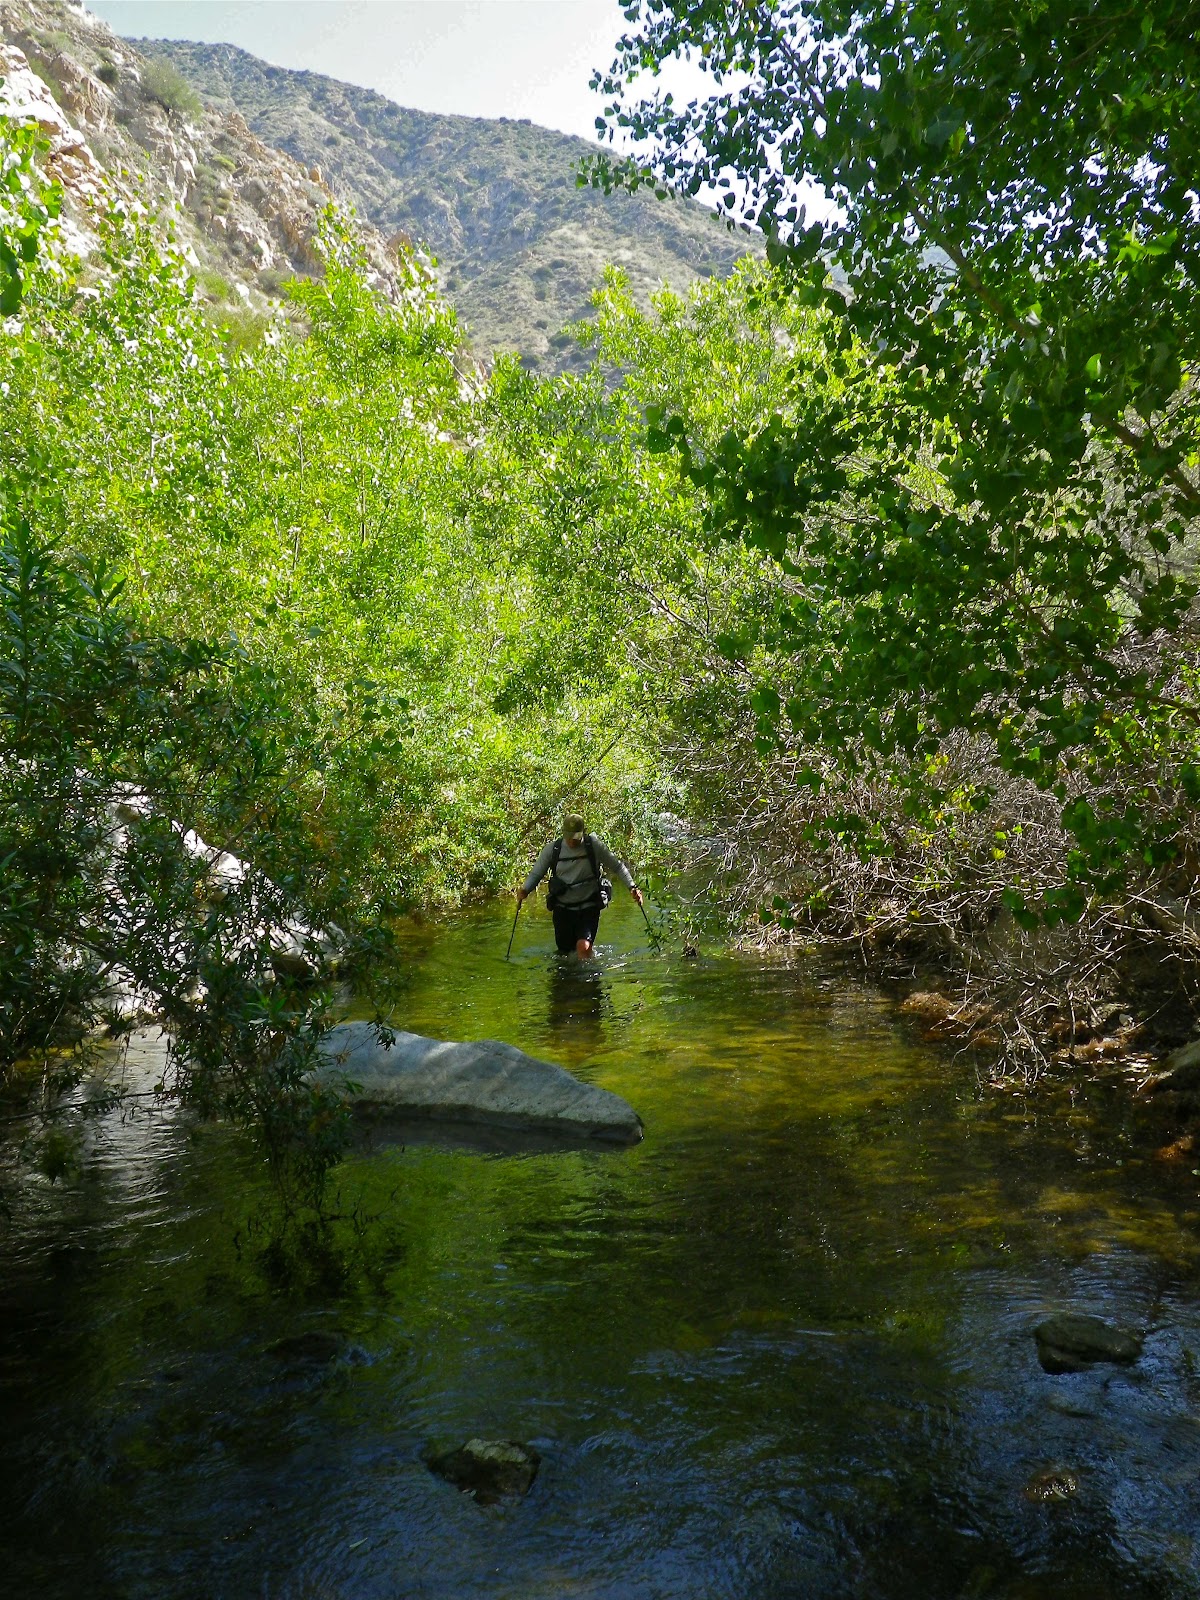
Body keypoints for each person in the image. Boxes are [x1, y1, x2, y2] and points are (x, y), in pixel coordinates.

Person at [517, 813, 644, 959]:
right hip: (562, 909)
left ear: (583, 832)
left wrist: (632, 887)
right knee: (565, 954)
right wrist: (525, 890)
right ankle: (571, 980)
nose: (572, 841)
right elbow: (536, 874)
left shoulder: (594, 846)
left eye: (576, 836)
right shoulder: (553, 850)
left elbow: (617, 867)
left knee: (583, 949)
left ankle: (587, 979)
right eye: (569, 836)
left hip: (589, 906)